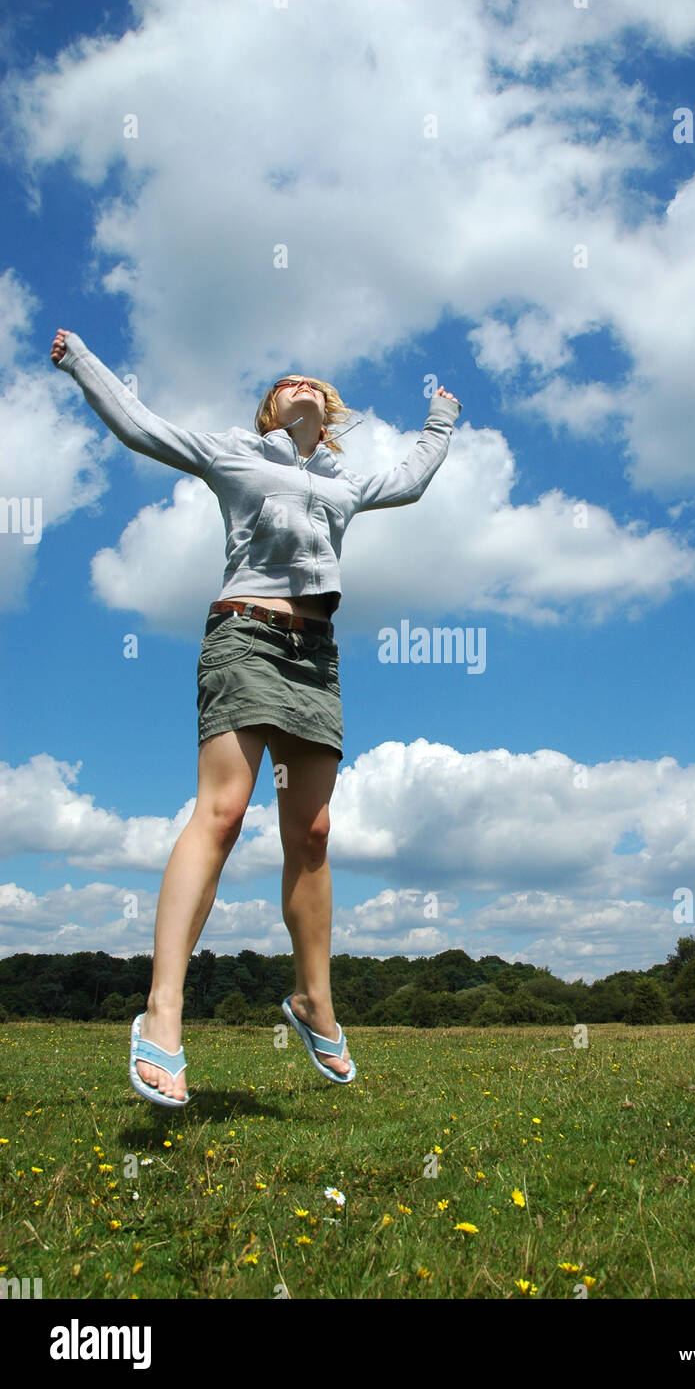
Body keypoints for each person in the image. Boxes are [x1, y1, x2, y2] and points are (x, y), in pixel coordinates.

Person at [50, 327, 461, 1106]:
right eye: (285, 381)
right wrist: (80, 360)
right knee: (225, 811)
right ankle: (163, 1014)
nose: (300, 382)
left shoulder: (344, 481)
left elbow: (409, 480)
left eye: (313, 380)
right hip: (244, 635)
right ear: (271, 409)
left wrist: (441, 418)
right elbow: (140, 425)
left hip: (317, 655)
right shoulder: (235, 453)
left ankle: (314, 1002)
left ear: (327, 410)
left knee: (312, 833)